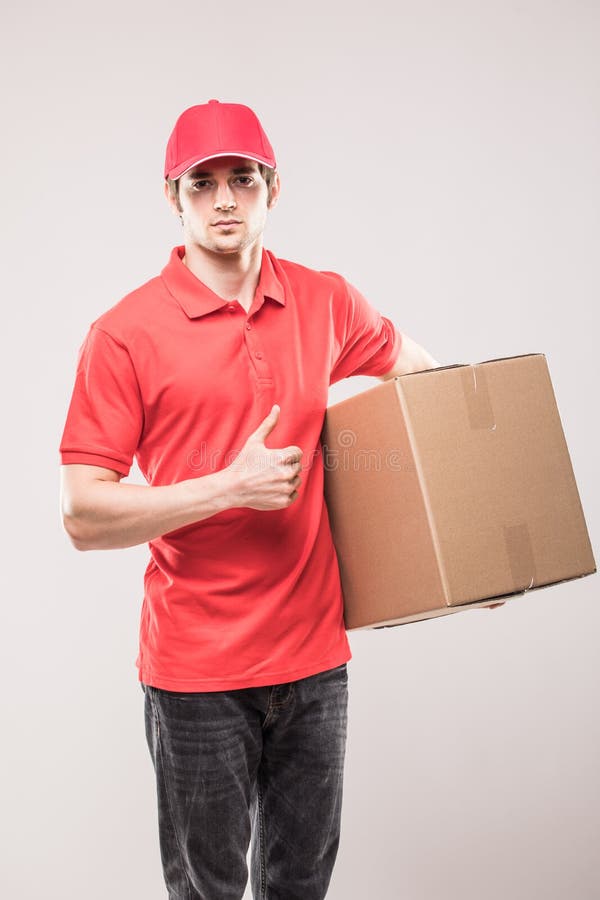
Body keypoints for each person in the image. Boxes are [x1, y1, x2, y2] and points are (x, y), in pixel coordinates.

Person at [58, 99, 501, 900]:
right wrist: (231, 485)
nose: (225, 200)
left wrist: (467, 550)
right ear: (173, 197)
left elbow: (423, 377)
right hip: (196, 671)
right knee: (206, 892)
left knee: (300, 885)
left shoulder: (325, 301)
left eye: (243, 179)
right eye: (203, 184)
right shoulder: (123, 334)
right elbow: (83, 514)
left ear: (273, 190)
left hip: (315, 660)